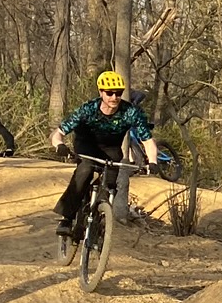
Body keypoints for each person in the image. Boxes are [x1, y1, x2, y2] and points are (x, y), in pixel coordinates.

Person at [51, 71, 159, 239]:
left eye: (118, 93)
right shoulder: (88, 109)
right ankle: (67, 218)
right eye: (109, 93)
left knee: (110, 184)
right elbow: (58, 133)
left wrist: (152, 162)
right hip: (86, 144)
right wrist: (59, 145)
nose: (114, 97)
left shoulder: (130, 112)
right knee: (84, 171)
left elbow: (148, 141)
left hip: (111, 148)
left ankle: (100, 217)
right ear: (101, 92)